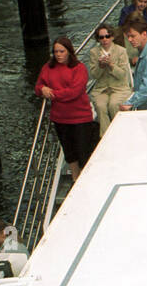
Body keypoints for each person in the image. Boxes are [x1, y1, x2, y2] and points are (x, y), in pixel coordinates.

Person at [35, 36, 97, 182]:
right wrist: (42, 89)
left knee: (83, 151)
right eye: (56, 51)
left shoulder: (79, 68)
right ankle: (75, 178)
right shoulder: (47, 68)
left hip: (80, 117)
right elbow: (38, 86)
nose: (58, 54)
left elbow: (74, 92)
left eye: (62, 51)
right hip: (60, 118)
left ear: (69, 51)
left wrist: (53, 94)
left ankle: (86, 178)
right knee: (69, 152)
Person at [88, 23, 132, 133]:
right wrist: (101, 66)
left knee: (113, 105)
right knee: (100, 106)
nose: (105, 39)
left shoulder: (121, 51)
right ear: (98, 39)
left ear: (112, 37)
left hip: (119, 88)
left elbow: (122, 74)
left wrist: (111, 65)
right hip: (102, 89)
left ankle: (120, 132)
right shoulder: (94, 52)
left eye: (107, 36)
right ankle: (105, 135)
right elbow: (94, 75)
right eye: (101, 37)